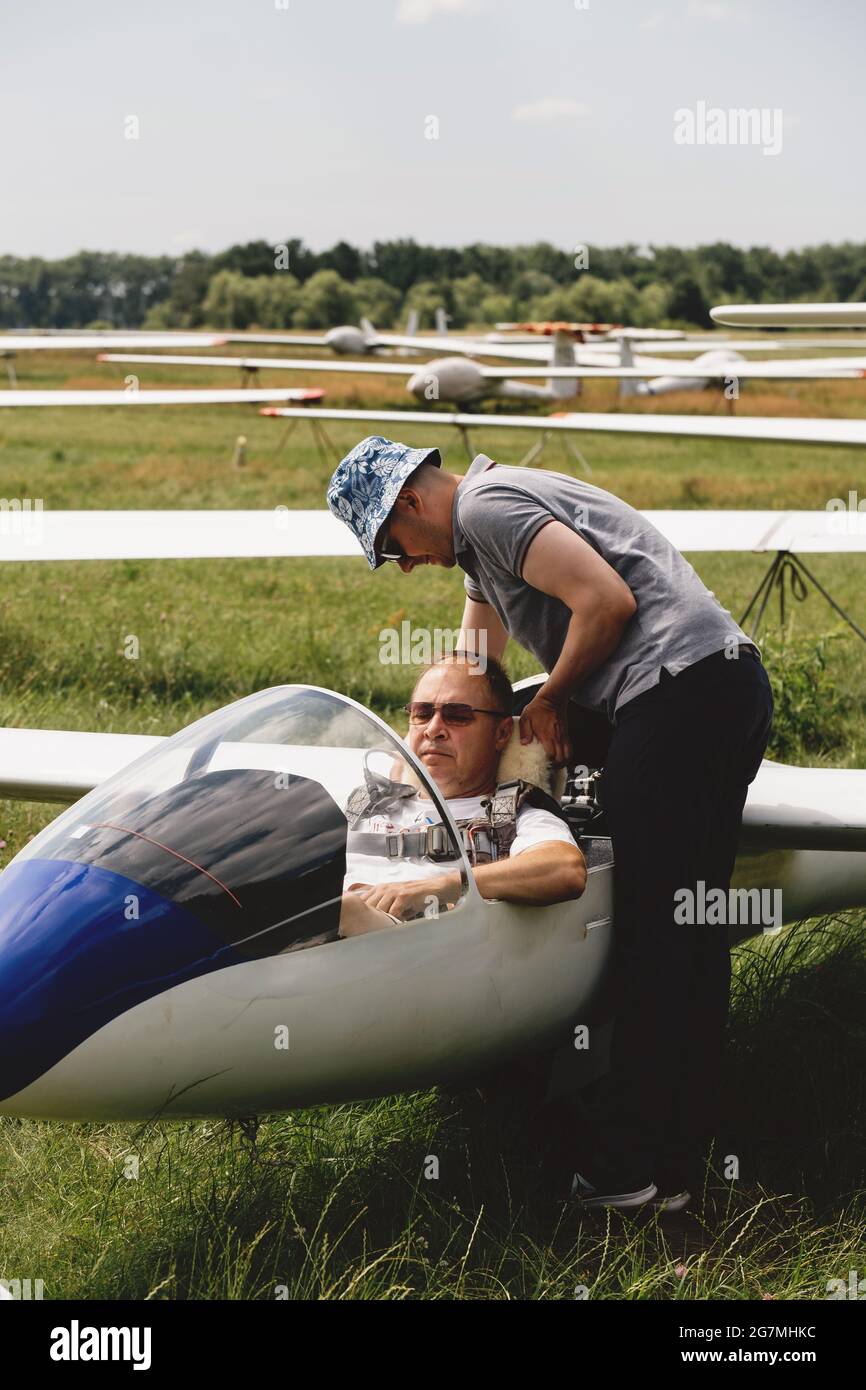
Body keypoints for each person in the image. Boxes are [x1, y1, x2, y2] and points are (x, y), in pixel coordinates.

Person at [327, 435, 774, 1213]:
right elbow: (477, 665)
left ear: (409, 502)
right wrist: (423, 755)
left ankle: (630, 1172)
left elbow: (608, 604)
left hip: (681, 696)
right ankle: (683, 1154)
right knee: (689, 923)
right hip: (707, 690)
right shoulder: (476, 540)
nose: (403, 565)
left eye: (393, 547)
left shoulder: (491, 510)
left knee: (652, 928)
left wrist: (549, 698)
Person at [339, 652, 586, 938]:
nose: (433, 730)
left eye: (457, 716)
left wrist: (434, 888)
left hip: (418, 954)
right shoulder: (366, 805)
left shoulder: (513, 818)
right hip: (318, 948)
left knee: (343, 910)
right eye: (422, 713)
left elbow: (566, 870)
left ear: (502, 733)